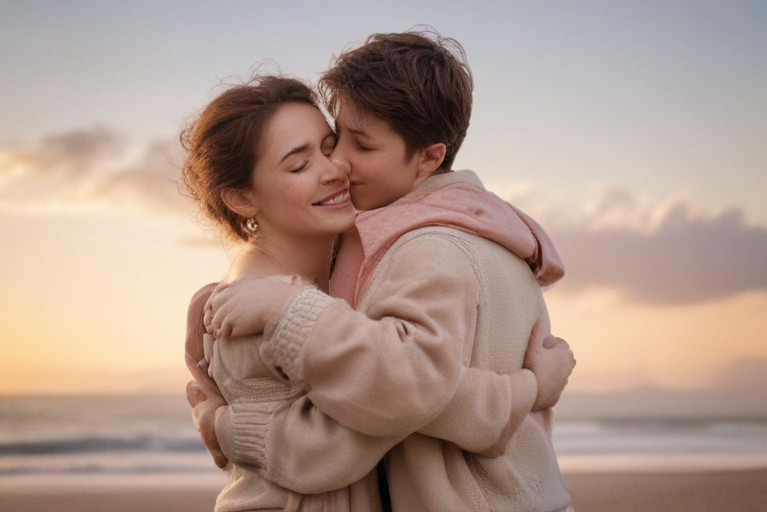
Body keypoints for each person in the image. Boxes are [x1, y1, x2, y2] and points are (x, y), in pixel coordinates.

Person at [200, 30, 575, 512]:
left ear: (430, 157)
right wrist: (530, 389)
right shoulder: (491, 226)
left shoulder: (429, 246)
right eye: (305, 161)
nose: (338, 164)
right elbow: (383, 405)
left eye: (354, 145)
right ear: (241, 197)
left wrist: (223, 427)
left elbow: (405, 388)